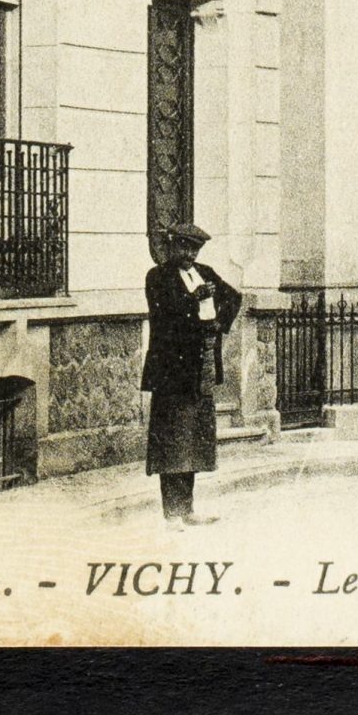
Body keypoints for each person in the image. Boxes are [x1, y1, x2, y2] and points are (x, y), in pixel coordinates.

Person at [142, 221, 242, 525]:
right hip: (172, 371)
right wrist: (193, 299)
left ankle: (187, 509)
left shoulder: (206, 273)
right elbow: (164, 315)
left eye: (194, 248)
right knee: (172, 439)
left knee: (194, 439)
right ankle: (171, 513)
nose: (189, 254)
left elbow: (234, 298)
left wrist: (218, 323)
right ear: (171, 246)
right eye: (184, 247)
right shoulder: (158, 277)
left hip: (200, 369)